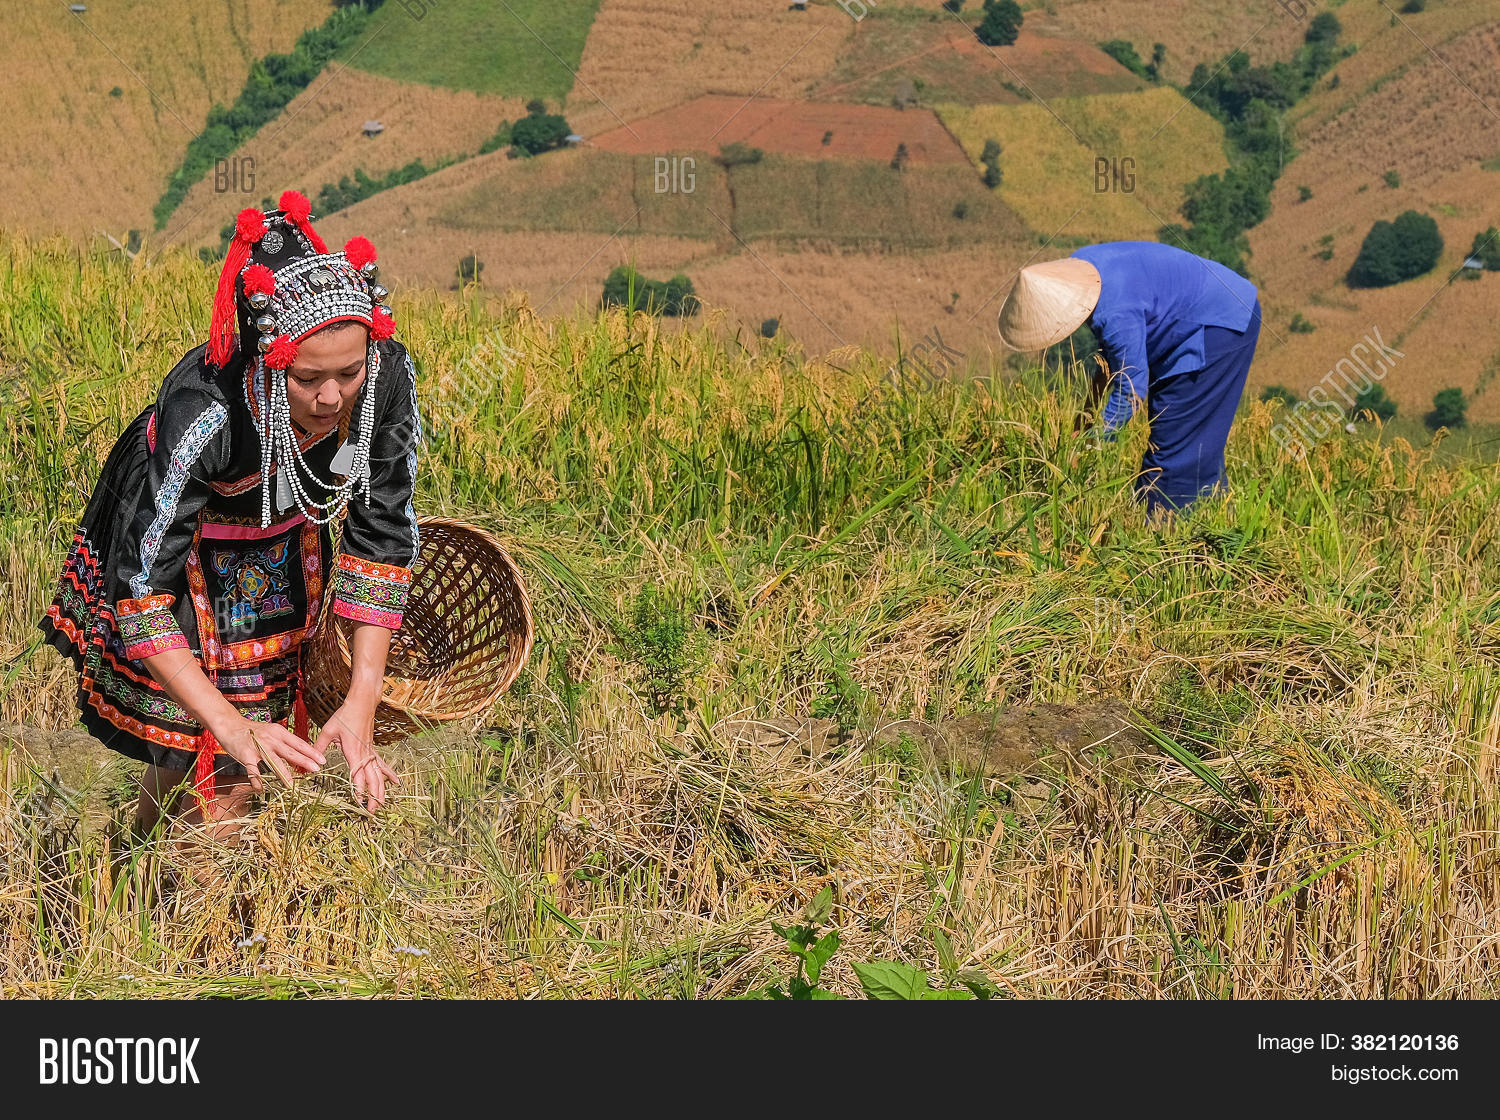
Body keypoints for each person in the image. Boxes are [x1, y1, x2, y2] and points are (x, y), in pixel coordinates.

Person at [39, 190, 421, 837]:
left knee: (238, 751)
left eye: (348, 373)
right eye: (306, 379)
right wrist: (228, 723)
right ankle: (171, 898)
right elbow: (141, 591)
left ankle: (146, 865)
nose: (332, 398)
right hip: (179, 545)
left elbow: (379, 536)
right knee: (206, 741)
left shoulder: (383, 380)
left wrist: (362, 704)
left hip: (282, 530)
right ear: (268, 361)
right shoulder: (206, 410)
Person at [996, 240, 1263, 515]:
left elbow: (1131, 390)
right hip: (1214, 305)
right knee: (1193, 437)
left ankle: (1165, 533)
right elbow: (1113, 359)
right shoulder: (1086, 266)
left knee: (1173, 442)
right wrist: (1087, 415)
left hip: (1220, 323)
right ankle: (1216, 516)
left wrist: (1091, 445)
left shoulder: (1114, 313)